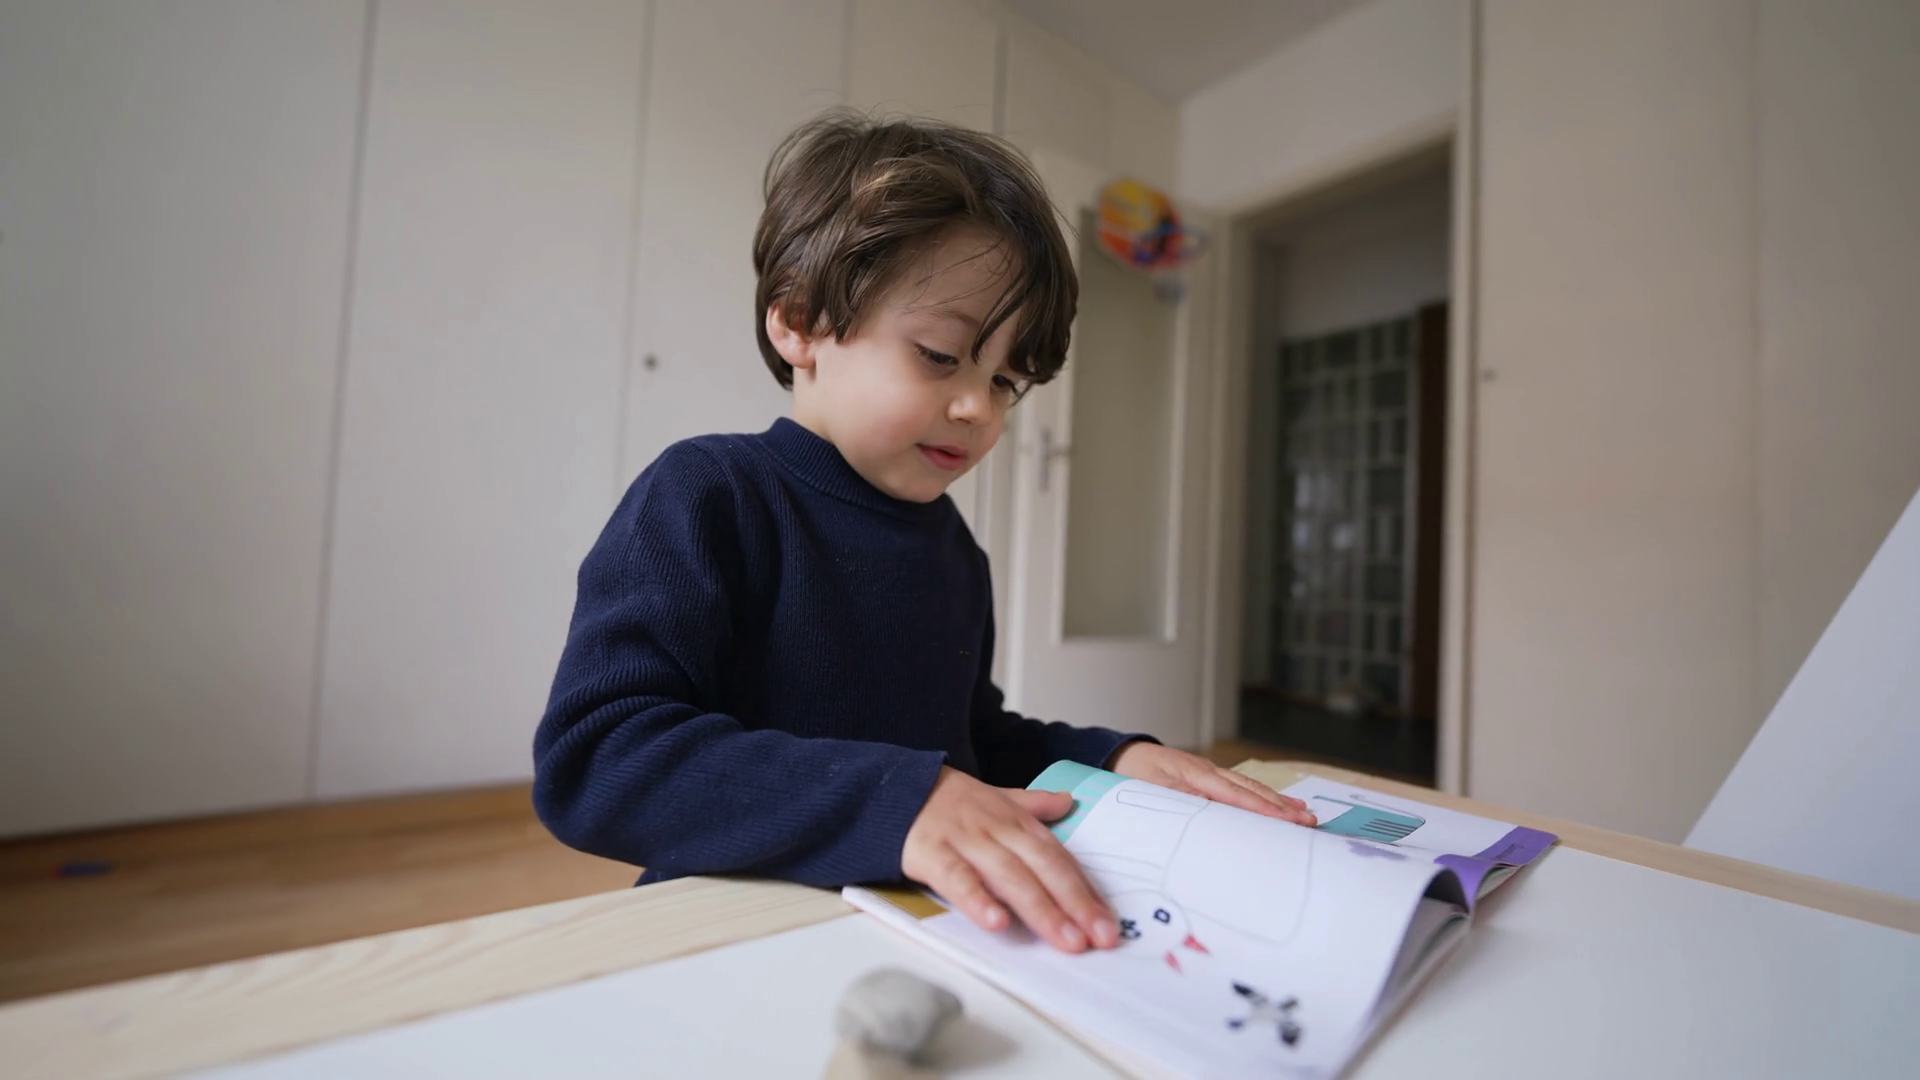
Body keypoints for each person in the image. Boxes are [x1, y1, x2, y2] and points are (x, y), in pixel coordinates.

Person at [533, 111, 1313, 955]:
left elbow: (970, 742)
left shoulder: (955, 554)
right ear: (799, 323)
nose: (979, 406)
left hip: (921, 929)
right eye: (942, 355)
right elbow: (599, 758)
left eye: (1008, 380)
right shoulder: (709, 494)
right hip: (731, 932)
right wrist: (898, 801)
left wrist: (1111, 759)